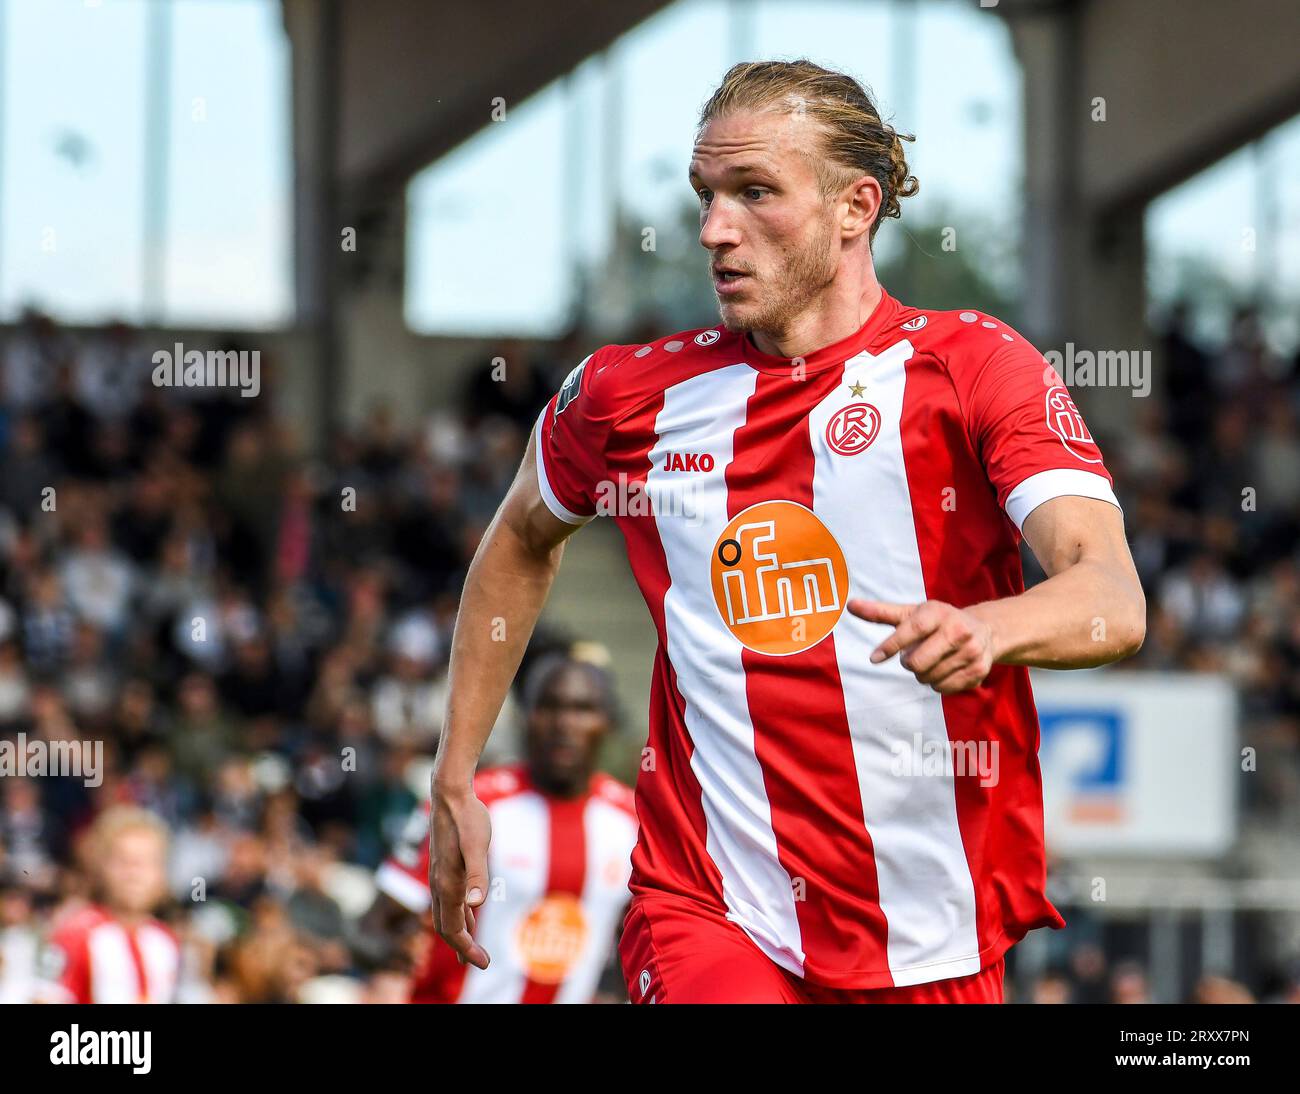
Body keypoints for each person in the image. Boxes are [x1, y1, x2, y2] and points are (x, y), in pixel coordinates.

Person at [429, 59, 1145, 1004]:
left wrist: (990, 628)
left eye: (755, 192)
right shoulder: (625, 397)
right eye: (706, 194)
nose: (714, 230)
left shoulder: (976, 368)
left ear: (858, 206)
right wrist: (456, 771)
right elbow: (521, 538)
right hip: (708, 905)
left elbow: (1112, 600)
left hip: (930, 928)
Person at [363, 653, 635, 1003]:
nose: (563, 724)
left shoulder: (633, 821)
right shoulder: (468, 805)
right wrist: (393, 962)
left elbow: (638, 941)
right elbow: (372, 927)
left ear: (607, 722)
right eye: (548, 707)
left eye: (582, 709)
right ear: (526, 717)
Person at [40, 806, 180, 1003]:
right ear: (102, 867)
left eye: (146, 862)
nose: (134, 874)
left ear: (162, 873)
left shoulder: (167, 940)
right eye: (124, 861)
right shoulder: (75, 934)